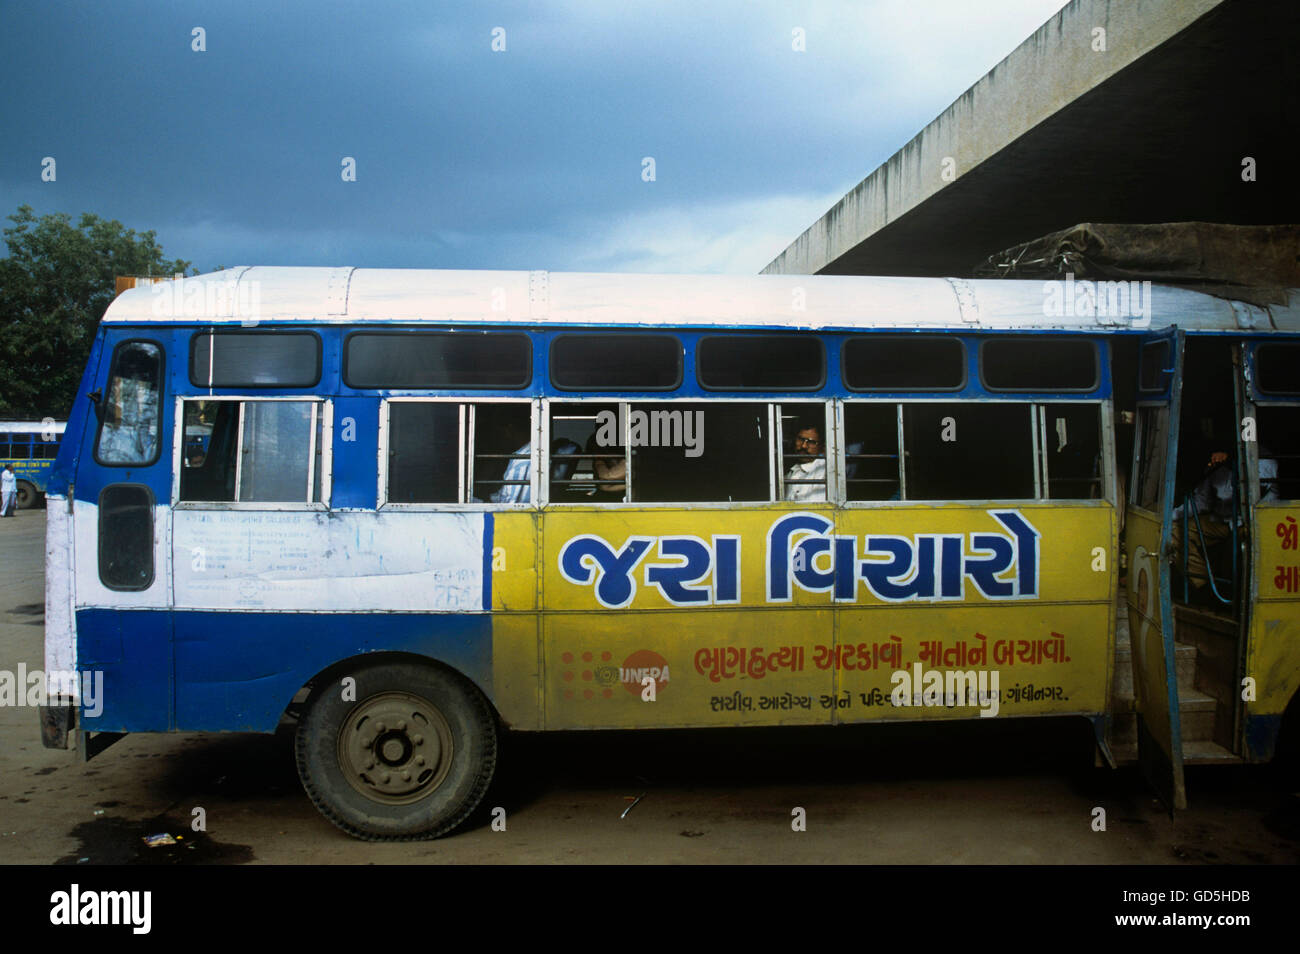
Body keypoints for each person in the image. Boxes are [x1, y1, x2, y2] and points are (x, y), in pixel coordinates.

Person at [785, 424, 827, 502]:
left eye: (811, 442)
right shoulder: (791, 471)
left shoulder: (826, 471)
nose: (804, 446)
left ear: (822, 448)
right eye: (800, 439)